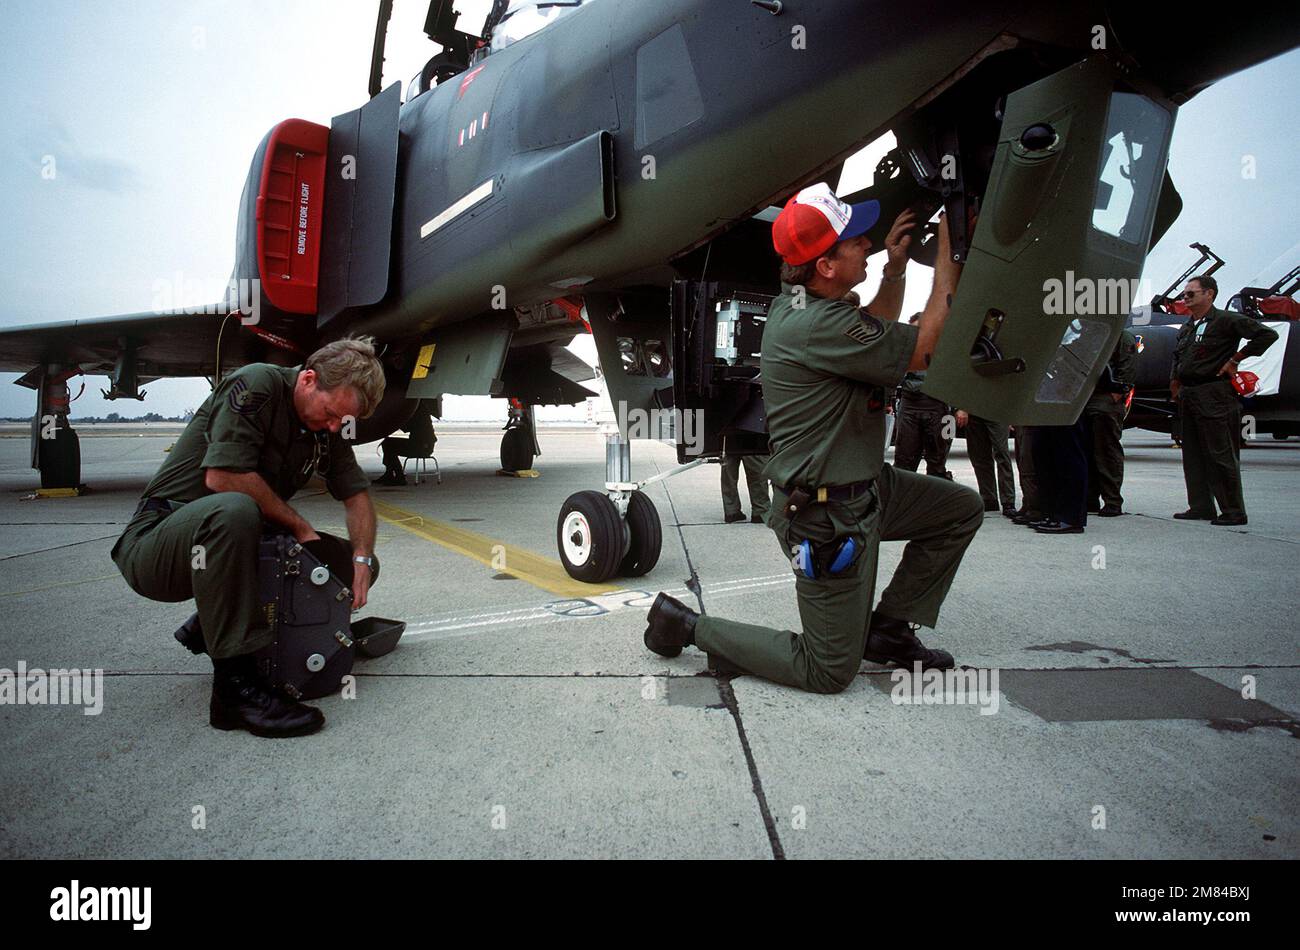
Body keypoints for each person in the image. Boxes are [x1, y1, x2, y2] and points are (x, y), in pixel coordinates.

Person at [643, 184, 983, 693]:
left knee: (960, 510)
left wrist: (894, 268)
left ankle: (888, 630)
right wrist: (950, 252)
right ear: (825, 266)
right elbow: (929, 346)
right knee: (826, 670)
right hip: (827, 516)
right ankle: (687, 625)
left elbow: (874, 327)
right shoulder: (816, 323)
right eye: (854, 241)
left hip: (869, 489)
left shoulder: (806, 307)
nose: (865, 243)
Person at [110, 337, 387, 738]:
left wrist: (361, 560)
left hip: (227, 545)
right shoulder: (256, 384)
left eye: (340, 420)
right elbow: (223, 478)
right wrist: (299, 526)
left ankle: (211, 623)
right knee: (235, 508)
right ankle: (234, 692)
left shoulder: (325, 426)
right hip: (158, 547)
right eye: (330, 413)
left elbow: (356, 495)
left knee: (345, 562)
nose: (332, 426)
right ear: (308, 380)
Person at [1170, 275, 1278, 525]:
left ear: (1209, 294)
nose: (1185, 298)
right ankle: (1200, 506)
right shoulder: (1188, 326)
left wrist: (1236, 359)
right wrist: (1174, 381)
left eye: (1190, 294)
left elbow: (1266, 335)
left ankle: (1233, 511)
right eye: (1184, 294)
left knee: (1220, 454)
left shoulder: (1226, 320)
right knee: (1193, 454)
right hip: (1190, 394)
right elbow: (1179, 357)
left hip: (1214, 393)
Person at [893, 314, 954, 479]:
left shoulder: (944, 349)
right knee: (904, 461)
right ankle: (902, 501)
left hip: (937, 406)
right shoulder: (903, 349)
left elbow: (956, 379)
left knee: (937, 461)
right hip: (909, 405)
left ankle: (937, 499)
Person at [1084, 330, 1138, 516]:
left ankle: (1112, 500)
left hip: (1106, 398)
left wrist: (1118, 391)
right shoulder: (1091, 330)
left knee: (1106, 450)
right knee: (1087, 451)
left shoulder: (1121, 335)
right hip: (1087, 398)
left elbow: (1128, 366)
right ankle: (1090, 498)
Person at [961, 411, 1017, 515]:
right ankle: (989, 498)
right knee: (979, 456)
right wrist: (961, 408)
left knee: (1002, 454)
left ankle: (1008, 501)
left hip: (998, 411)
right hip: (974, 411)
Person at [375, 400, 437, 486]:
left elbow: (406, 427)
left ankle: (399, 477)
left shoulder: (417, 411)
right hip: (422, 445)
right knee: (388, 443)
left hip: (420, 446)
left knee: (388, 444)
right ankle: (390, 474)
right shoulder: (421, 409)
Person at [721, 451, 771, 523]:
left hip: (730, 441)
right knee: (756, 472)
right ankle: (760, 510)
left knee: (729, 473)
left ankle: (731, 510)